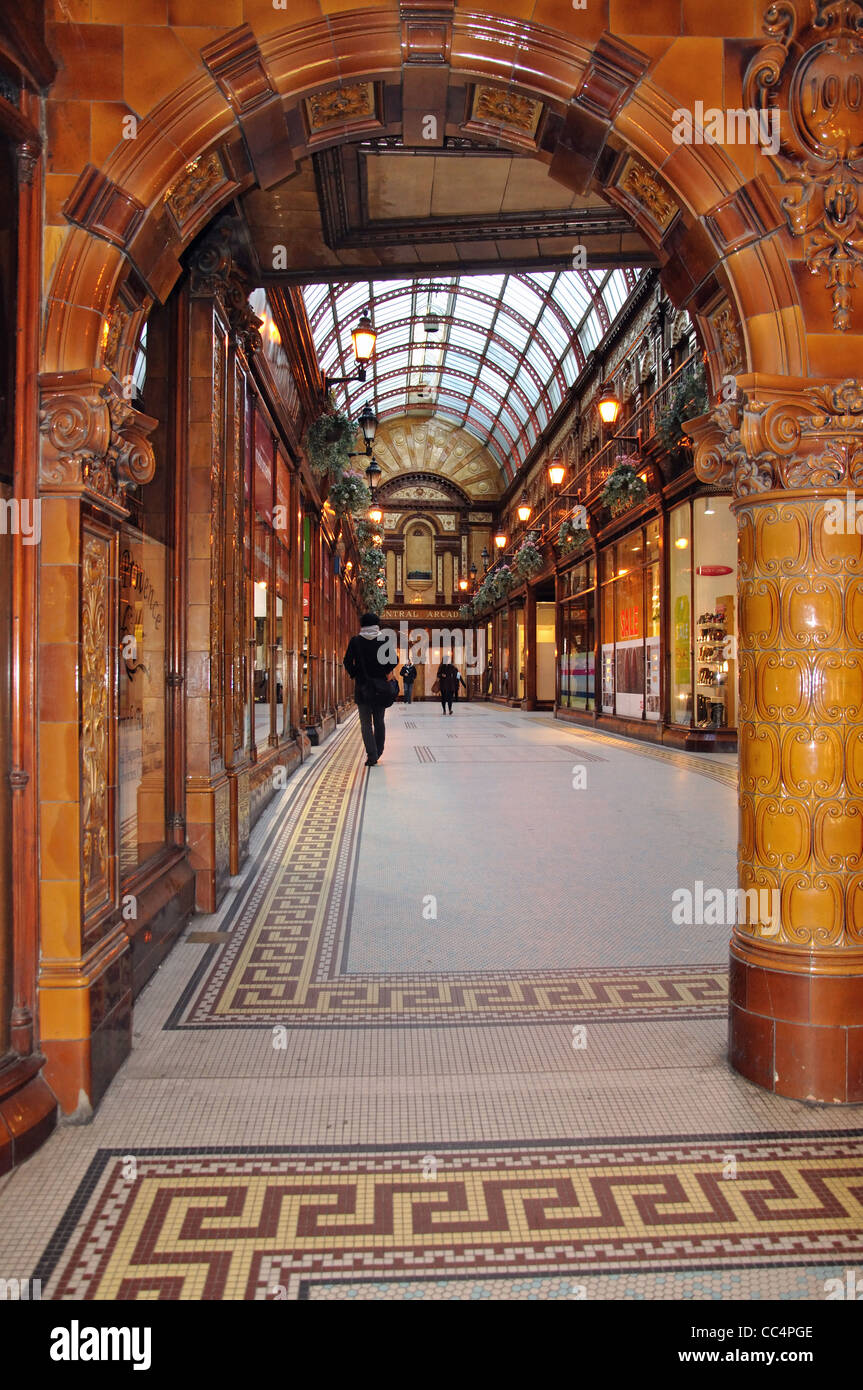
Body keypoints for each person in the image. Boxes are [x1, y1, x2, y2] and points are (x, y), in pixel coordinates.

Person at [343, 612, 397, 766]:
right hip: (380, 688)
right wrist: (384, 671)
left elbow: (347, 661)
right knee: (379, 721)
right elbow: (394, 660)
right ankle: (378, 751)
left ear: (362, 625)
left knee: (366, 723)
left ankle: (371, 754)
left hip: (363, 688)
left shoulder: (356, 641)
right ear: (376, 625)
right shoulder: (383, 640)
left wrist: (356, 674)